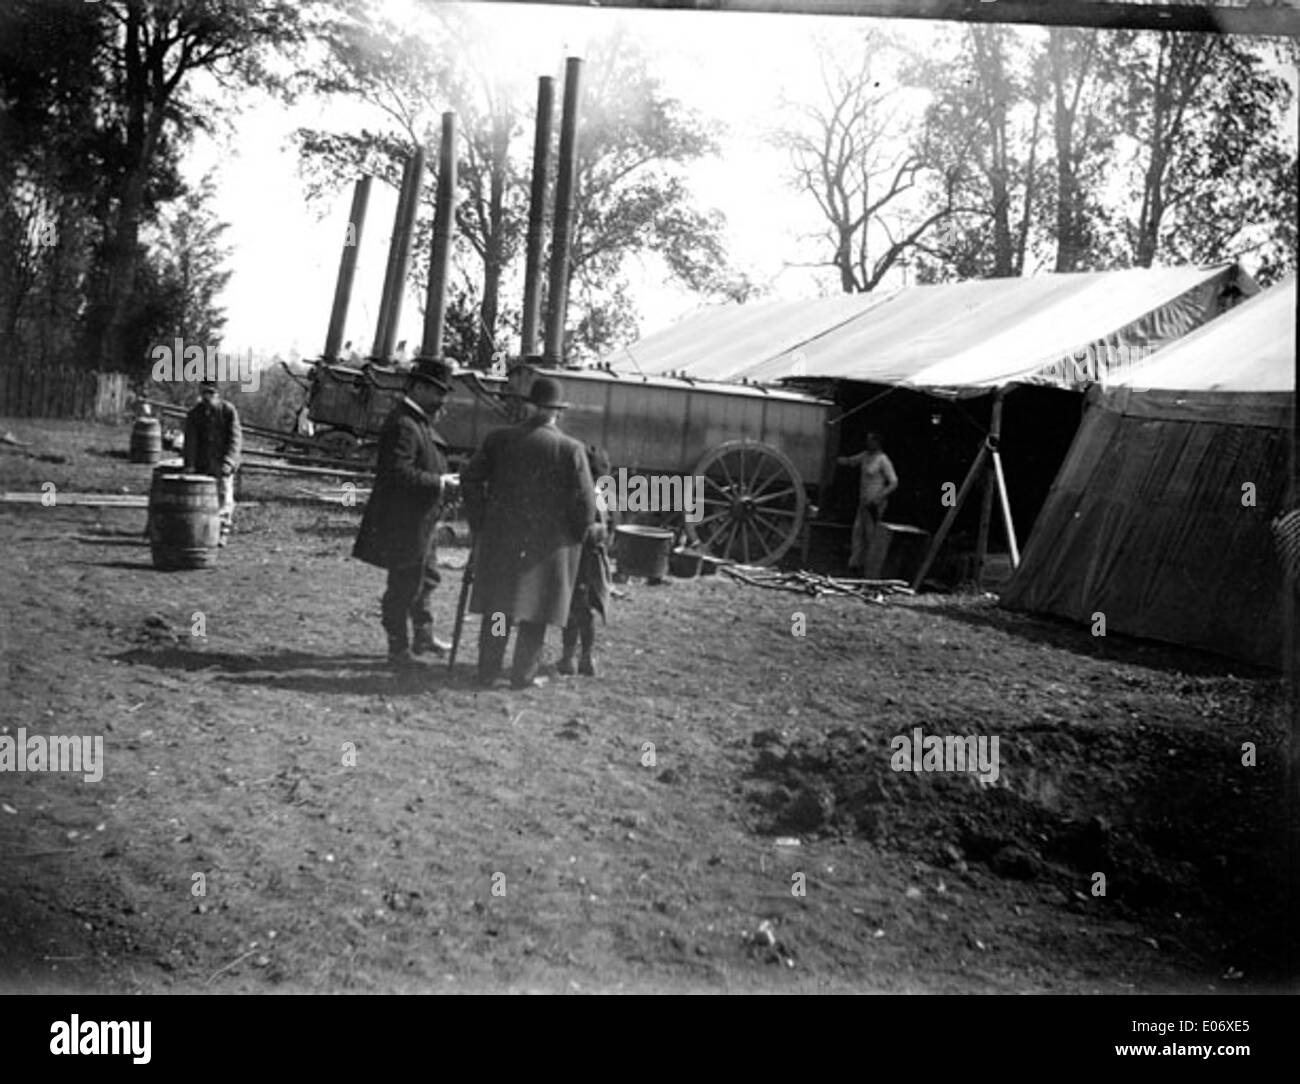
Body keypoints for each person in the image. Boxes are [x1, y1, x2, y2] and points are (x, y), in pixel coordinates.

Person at [461, 377, 596, 690]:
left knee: (499, 607)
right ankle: (523, 675)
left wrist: (481, 521)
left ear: (529, 406)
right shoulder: (571, 449)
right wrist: (572, 535)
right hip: (547, 549)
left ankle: (488, 670)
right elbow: (587, 506)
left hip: (501, 540)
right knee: (536, 611)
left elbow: (470, 480)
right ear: (557, 413)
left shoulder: (499, 439)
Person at [352, 357, 458, 669]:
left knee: (427, 579)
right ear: (420, 387)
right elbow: (397, 473)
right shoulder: (403, 424)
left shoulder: (419, 421)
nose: (443, 400)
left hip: (422, 520)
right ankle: (397, 649)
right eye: (438, 392)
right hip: (404, 522)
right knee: (404, 586)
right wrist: (440, 482)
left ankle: (423, 636)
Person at [558, 444, 615, 678]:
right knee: (587, 610)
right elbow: (611, 529)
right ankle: (585, 657)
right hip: (596, 562)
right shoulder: (603, 497)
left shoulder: (580, 495)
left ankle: (570, 657)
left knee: (573, 611)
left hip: (579, 560)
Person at [183, 380, 242, 546]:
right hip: (202, 464)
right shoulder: (195, 414)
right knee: (202, 501)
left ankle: (222, 532)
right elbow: (190, 442)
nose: (207, 397)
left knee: (224, 499)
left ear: (217, 394)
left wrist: (229, 462)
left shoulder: (228, 411)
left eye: (211, 393)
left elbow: (235, 439)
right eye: (204, 393)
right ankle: (203, 532)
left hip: (222, 464)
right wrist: (190, 464)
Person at [838, 431, 898, 575]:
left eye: (871, 441)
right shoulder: (865, 456)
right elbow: (851, 461)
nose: (868, 443)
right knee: (858, 532)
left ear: (877, 442)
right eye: (867, 440)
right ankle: (855, 565)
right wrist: (835, 459)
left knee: (871, 535)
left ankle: (870, 568)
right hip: (863, 502)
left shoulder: (883, 460)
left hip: (874, 504)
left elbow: (894, 482)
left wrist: (879, 497)